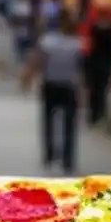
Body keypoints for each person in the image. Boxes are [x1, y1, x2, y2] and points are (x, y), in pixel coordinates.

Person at [22, 9, 83, 174]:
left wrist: (27, 78)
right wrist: (83, 89)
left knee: (49, 121)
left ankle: (50, 155)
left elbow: (36, 61)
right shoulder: (79, 43)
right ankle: (67, 159)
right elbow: (82, 69)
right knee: (69, 124)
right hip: (67, 87)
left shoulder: (49, 41)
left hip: (52, 85)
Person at [81, 0, 111, 126]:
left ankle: (94, 115)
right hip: (106, 62)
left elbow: (85, 38)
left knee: (94, 88)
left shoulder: (93, 24)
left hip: (92, 61)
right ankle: (101, 113)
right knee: (103, 88)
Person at [9, 0, 35, 64]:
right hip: (24, 26)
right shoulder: (26, 6)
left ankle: (20, 55)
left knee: (20, 41)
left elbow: (14, 18)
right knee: (21, 41)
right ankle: (21, 55)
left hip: (22, 26)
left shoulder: (20, 5)